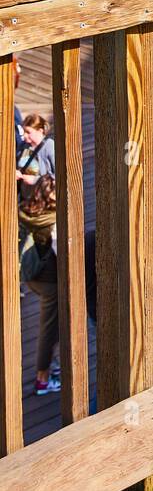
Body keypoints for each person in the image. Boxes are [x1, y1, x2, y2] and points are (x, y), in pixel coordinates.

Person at [17, 114, 59, 395]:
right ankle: (44, 378)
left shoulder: (25, 213)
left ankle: (48, 370)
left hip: (29, 273)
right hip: (49, 280)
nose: (25, 138)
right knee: (50, 327)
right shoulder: (52, 221)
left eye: (29, 133)